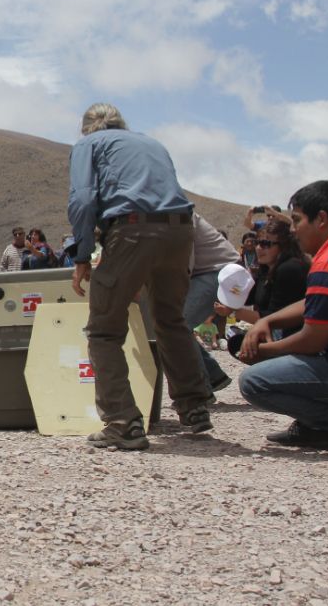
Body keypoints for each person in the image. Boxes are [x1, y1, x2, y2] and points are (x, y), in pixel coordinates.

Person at [68, 102, 213, 450]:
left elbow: (84, 200)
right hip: (180, 231)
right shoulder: (151, 143)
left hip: (132, 230)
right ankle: (194, 407)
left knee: (104, 329)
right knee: (170, 319)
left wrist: (82, 255)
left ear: (87, 128)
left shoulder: (87, 146)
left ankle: (122, 422)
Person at [238, 180, 328, 457]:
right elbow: (315, 302)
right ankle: (315, 429)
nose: (292, 230)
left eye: (297, 220)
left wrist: (261, 351)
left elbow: (313, 340)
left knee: (254, 382)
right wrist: (268, 321)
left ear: (322, 219)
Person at [215, 219, 309, 357]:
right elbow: (248, 299)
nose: (258, 248)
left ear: (283, 246)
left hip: (291, 341)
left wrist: (233, 311)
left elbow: (274, 318)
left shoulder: (289, 269)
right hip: (277, 335)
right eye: (258, 242)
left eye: (265, 244)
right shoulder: (266, 269)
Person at [183, 213, 239, 392]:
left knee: (176, 326)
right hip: (205, 273)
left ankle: (200, 389)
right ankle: (213, 376)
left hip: (219, 272)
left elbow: (185, 262)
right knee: (174, 326)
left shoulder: (177, 213)